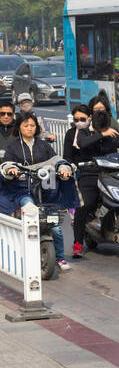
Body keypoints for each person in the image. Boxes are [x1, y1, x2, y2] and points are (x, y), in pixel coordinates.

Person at [1, 113, 72, 270]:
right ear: (19, 127)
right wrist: (11, 169)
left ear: (37, 127)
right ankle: (21, 254)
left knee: (56, 227)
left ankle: (60, 258)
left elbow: (56, 160)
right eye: (26, 125)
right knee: (28, 205)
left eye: (32, 125)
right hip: (23, 189)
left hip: (45, 189)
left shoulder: (44, 146)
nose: (29, 128)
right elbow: (6, 163)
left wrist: (63, 168)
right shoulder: (13, 147)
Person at [67, 101, 119, 258]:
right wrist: (101, 134)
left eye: (104, 127)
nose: (103, 130)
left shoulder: (113, 133)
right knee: (85, 205)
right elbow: (82, 143)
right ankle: (78, 242)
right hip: (90, 175)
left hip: (111, 174)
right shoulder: (84, 133)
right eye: (98, 128)